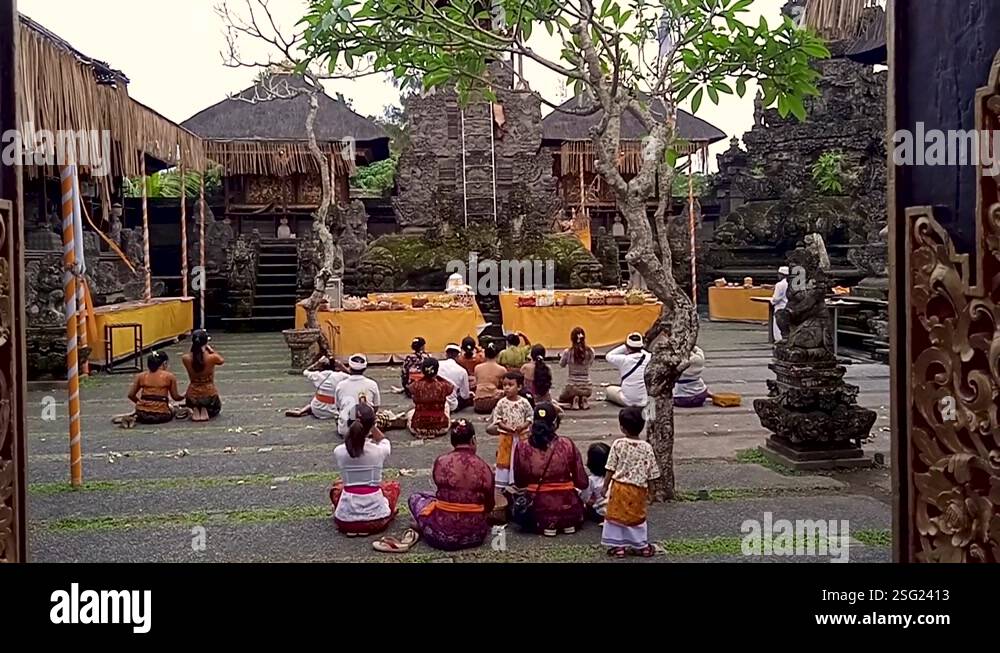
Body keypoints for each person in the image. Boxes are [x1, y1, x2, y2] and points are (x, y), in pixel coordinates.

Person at [409, 419, 495, 551]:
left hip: (441, 534)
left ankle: (424, 524)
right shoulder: (484, 467)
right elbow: (490, 505)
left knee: (415, 497)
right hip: (475, 535)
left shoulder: (442, 462)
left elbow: (440, 489)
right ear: (473, 440)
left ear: (452, 441)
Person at [510, 402, 588, 536]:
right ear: (555, 423)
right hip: (570, 510)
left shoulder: (522, 447)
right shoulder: (567, 444)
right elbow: (582, 482)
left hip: (538, 512)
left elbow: (519, 482)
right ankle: (567, 524)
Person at [330, 403, 400, 536]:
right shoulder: (378, 451)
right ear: (371, 426)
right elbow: (384, 441)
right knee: (393, 487)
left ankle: (349, 518)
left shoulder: (339, 451)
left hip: (345, 521)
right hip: (377, 520)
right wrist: (372, 426)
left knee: (337, 487)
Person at [601, 407, 661, 558]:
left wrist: (605, 486)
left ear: (622, 427)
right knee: (636, 518)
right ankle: (641, 545)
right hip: (638, 490)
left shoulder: (618, 444)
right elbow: (652, 473)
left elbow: (610, 468)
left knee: (616, 517)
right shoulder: (647, 447)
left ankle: (618, 546)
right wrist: (652, 493)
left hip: (619, 487)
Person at [486, 371, 534, 488]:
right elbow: (497, 419)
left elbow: (530, 416)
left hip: (521, 436)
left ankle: (519, 479)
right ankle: (503, 480)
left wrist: (523, 426)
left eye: (510, 385)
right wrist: (505, 427)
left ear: (520, 387)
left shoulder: (524, 402)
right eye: (505, 385)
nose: (507, 388)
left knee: (520, 457)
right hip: (506, 436)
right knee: (505, 458)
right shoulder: (501, 403)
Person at [127, 351, 184, 424]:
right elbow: (176, 397)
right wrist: (184, 396)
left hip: (142, 413)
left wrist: (140, 403)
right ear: (164, 363)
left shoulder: (140, 376)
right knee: (174, 409)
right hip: (161, 414)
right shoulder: (169, 376)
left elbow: (131, 395)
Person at [335, 353, 382, 438]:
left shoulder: (340, 385)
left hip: (345, 429)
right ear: (365, 368)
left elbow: (338, 407)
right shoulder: (372, 384)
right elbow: (375, 408)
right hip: (367, 429)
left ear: (349, 367)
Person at [182, 329, 224, 422]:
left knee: (195, 400)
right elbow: (221, 360)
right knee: (212, 406)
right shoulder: (212, 357)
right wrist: (211, 350)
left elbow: (195, 357)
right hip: (210, 395)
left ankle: (196, 409)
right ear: (206, 342)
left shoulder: (185, 358)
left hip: (192, 395)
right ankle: (204, 409)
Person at [407, 358, 454, 439]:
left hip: (419, 428)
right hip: (441, 427)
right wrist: (438, 377)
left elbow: (410, 388)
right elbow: (451, 387)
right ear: (437, 370)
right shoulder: (443, 385)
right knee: (446, 406)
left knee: (410, 413)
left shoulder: (416, 385)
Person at [605, 332, 650, 409]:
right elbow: (647, 353)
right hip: (644, 400)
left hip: (627, 400)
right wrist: (640, 348)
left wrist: (625, 346)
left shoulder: (624, 359)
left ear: (627, 347)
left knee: (608, 390)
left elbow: (608, 356)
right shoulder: (649, 358)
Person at [558, 327, 595, 410]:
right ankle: (583, 399)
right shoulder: (590, 351)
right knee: (584, 391)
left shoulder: (568, 352)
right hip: (587, 388)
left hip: (572, 387)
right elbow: (591, 363)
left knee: (561, 397)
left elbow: (561, 364)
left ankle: (575, 399)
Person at [473, 342, 506, 414]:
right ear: (497, 355)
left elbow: (477, 382)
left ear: (485, 355)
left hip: (478, 403)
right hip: (493, 402)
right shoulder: (502, 369)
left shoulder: (477, 368)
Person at [438, 343, 473, 412]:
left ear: (446, 354)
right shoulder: (462, 371)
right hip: (452, 405)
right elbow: (465, 396)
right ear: (458, 356)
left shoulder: (438, 364)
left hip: (436, 402)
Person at [581, 442, 610, 523]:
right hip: (616, 510)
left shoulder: (591, 480)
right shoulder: (615, 476)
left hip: (601, 513)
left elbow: (585, 498)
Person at [771, 265, 790, 342]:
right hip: (789, 306)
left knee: (778, 326)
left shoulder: (780, 284)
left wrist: (772, 301)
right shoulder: (792, 284)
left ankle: (779, 340)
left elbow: (776, 298)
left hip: (780, 307)